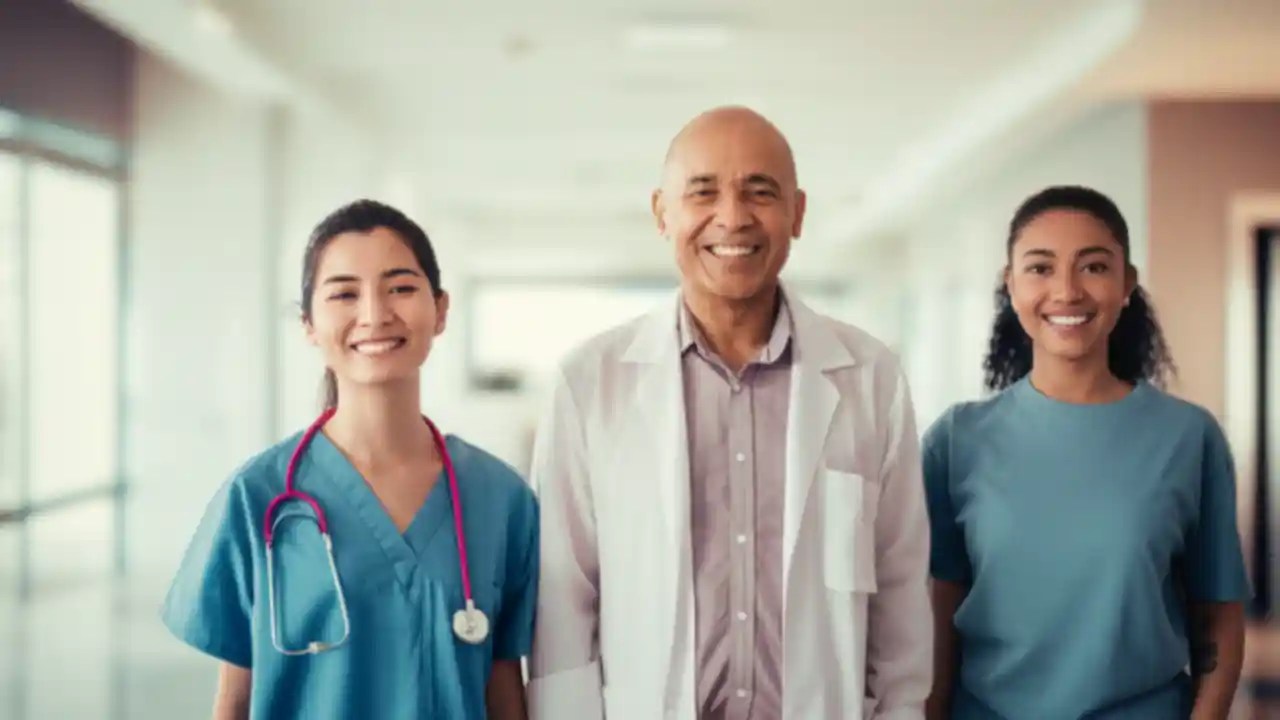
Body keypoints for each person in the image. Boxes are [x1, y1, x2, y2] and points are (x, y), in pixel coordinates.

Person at [527, 106, 932, 720]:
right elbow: (563, 603)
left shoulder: (871, 378)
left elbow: (900, 596)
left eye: (759, 192)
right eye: (703, 192)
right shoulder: (589, 383)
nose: (733, 216)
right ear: (662, 213)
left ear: (797, 213)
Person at [161, 199, 538, 720]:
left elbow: (505, 688)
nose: (375, 314)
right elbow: (235, 700)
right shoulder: (257, 497)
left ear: (441, 310)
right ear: (309, 324)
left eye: (400, 288)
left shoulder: (500, 498)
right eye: (344, 293)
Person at [923, 186, 1249, 719]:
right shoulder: (956, 441)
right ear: (1010, 285)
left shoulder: (1189, 437)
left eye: (1094, 267)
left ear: (1127, 284)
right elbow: (937, 616)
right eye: (1040, 268)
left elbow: (1217, 613)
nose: (1067, 291)